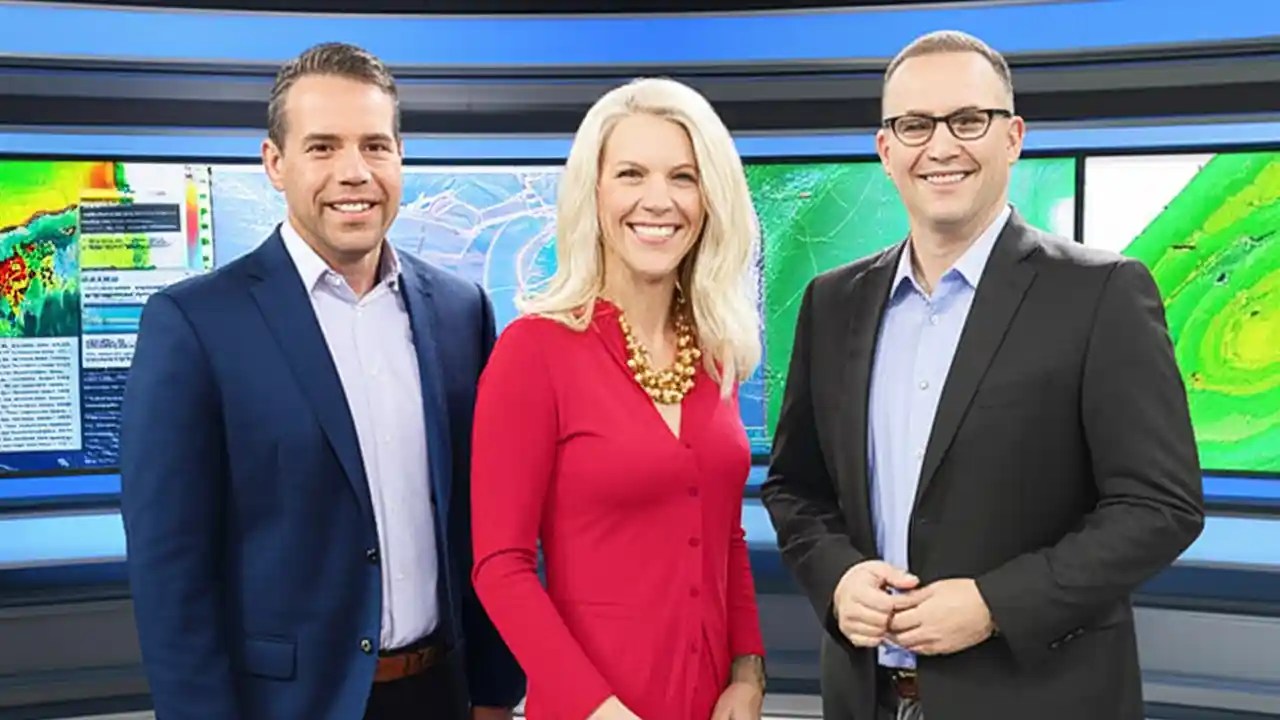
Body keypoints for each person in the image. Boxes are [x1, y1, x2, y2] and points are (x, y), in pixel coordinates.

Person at [760, 30, 1205, 720]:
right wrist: (837, 577)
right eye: (914, 125)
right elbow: (796, 487)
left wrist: (996, 605)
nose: (941, 146)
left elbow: (1160, 506)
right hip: (865, 699)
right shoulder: (833, 302)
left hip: (1039, 701)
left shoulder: (1102, 293)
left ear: (1013, 137)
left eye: (968, 120)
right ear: (885, 149)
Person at [120, 42, 523, 720]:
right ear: (275, 163)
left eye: (374, 146)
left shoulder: (461, 313)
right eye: (323, 147)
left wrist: (494, 693)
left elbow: (482, 523)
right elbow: (170, 577)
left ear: (400, 157)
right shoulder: (194, 326)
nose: (353, 172)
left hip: (441, 694)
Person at [469, 77, 767, 720]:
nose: (658, 200)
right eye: (631, 174)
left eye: (683, 177)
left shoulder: (715, 351)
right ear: (594, 192)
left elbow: (725, 537)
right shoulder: (533, 351)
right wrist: (599, 711)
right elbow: (500, 567)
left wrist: (748, 673)